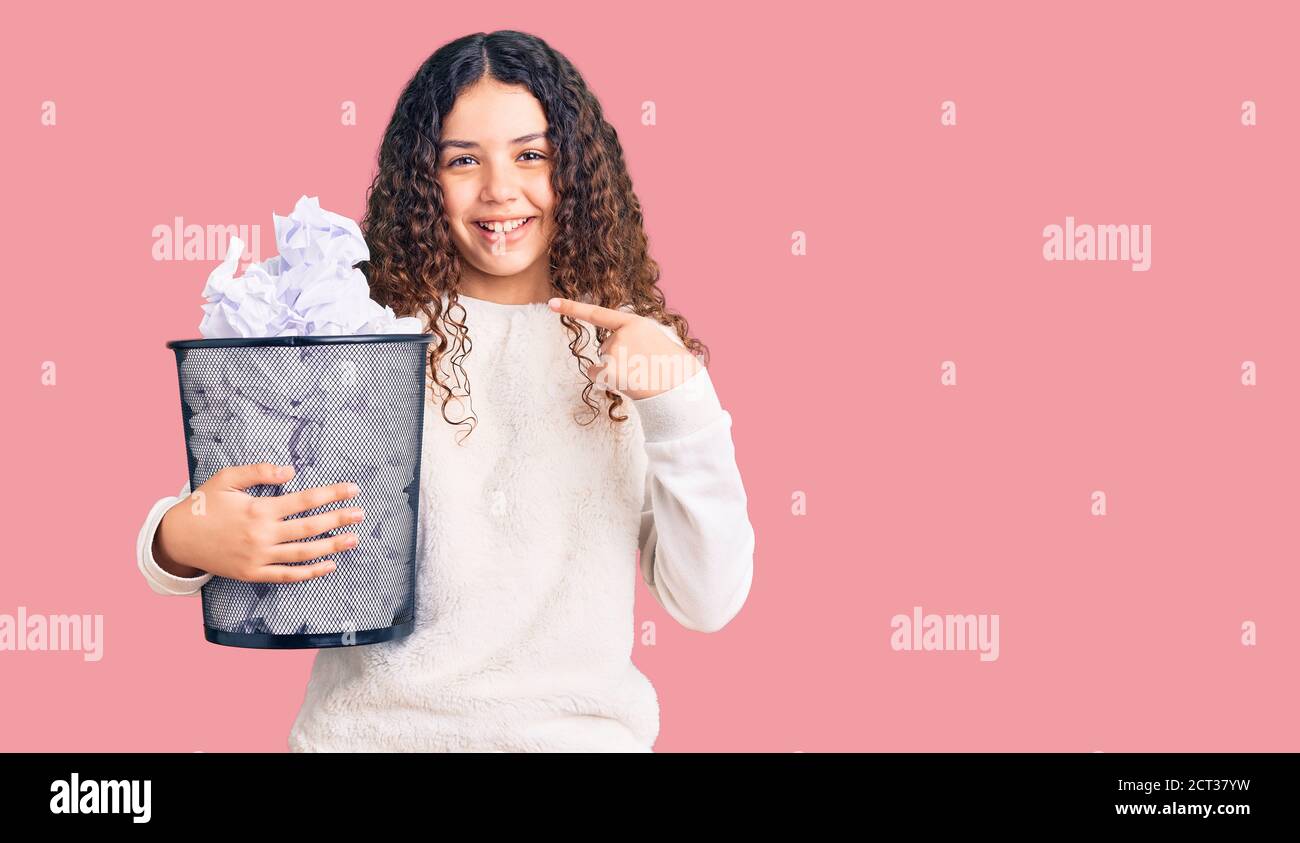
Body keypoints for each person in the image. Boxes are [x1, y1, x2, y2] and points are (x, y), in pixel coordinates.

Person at [136, 29, 754, 752]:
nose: (499, 189)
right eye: (464, 160)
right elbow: (224, 504)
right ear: (424, 179)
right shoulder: (366, 336)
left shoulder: (628, 355)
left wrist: (678, 394)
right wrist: (179, 537)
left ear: (579, 170)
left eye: (532, 154)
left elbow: (707, 598)